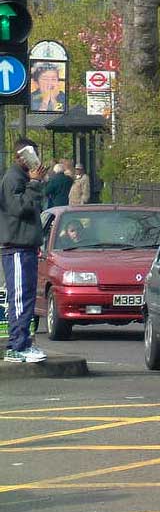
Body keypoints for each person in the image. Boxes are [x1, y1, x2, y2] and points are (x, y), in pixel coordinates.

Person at [0, 138, 48, 362]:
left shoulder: (22, 178)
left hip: (24, 246)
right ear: (19, 157)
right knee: (20, 298)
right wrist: (35, 183)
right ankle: (17, 346)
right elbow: (20, 208)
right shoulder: (13, 178)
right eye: (30, 156)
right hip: (17, 247)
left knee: (25, 297)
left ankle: (22, 344)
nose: (34, 161)